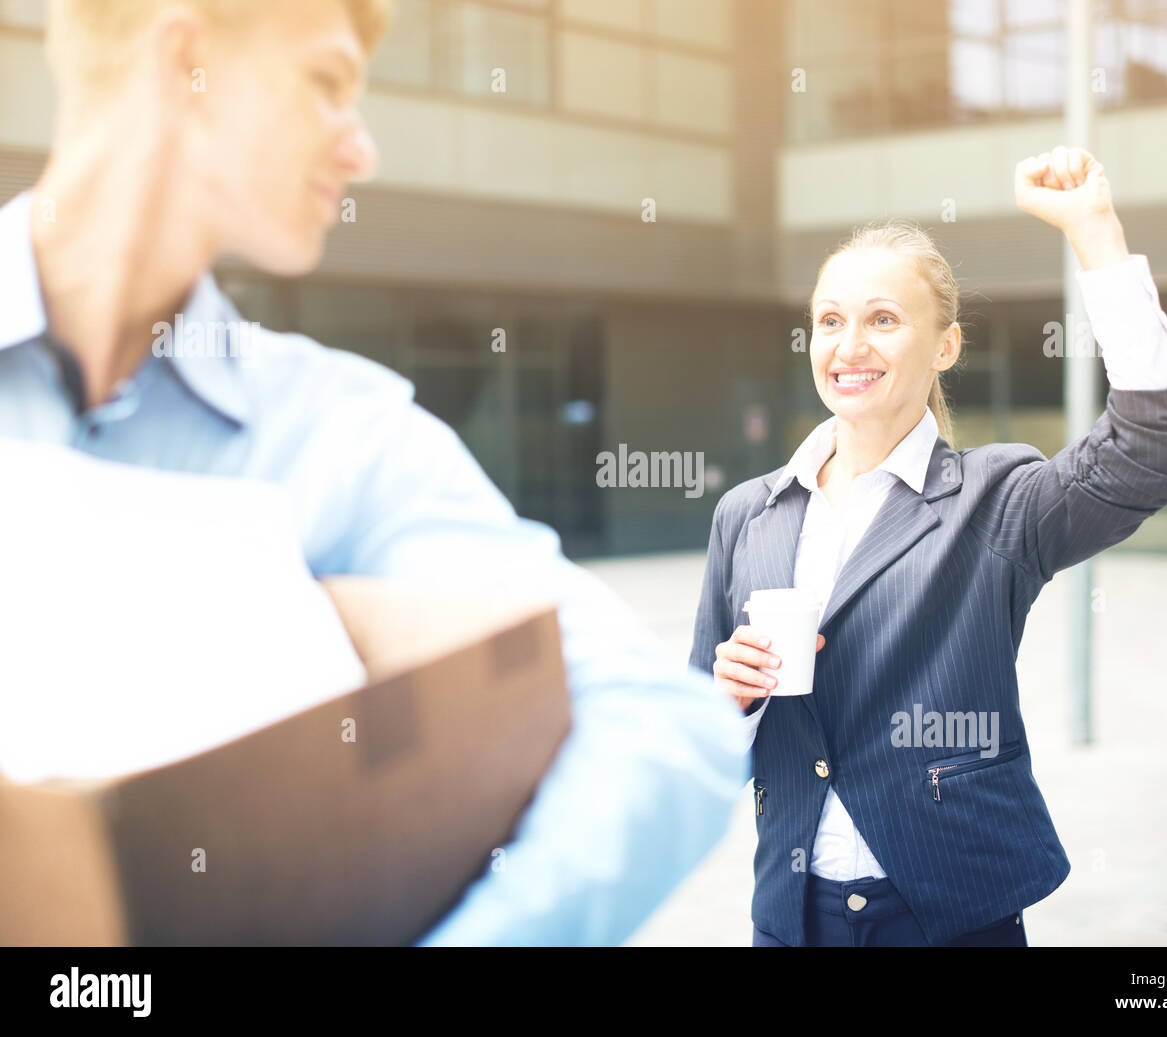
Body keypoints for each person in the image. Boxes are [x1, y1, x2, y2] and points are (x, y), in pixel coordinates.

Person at [0, 0, 748, 945]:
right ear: (185, 58)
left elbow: (662, 728)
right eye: (327, 83)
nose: (362, 152)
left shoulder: (345, 436)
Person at [691, 146, 1167, 947]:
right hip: (793, 918)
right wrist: (727, 702)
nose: (849, 345)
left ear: (945, 347)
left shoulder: (995, 500)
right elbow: (694, 738)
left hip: (950, 913)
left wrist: (1094, 232)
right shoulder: (746, 515)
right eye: (831, 320)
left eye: (883, 319)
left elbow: (1151, 454)